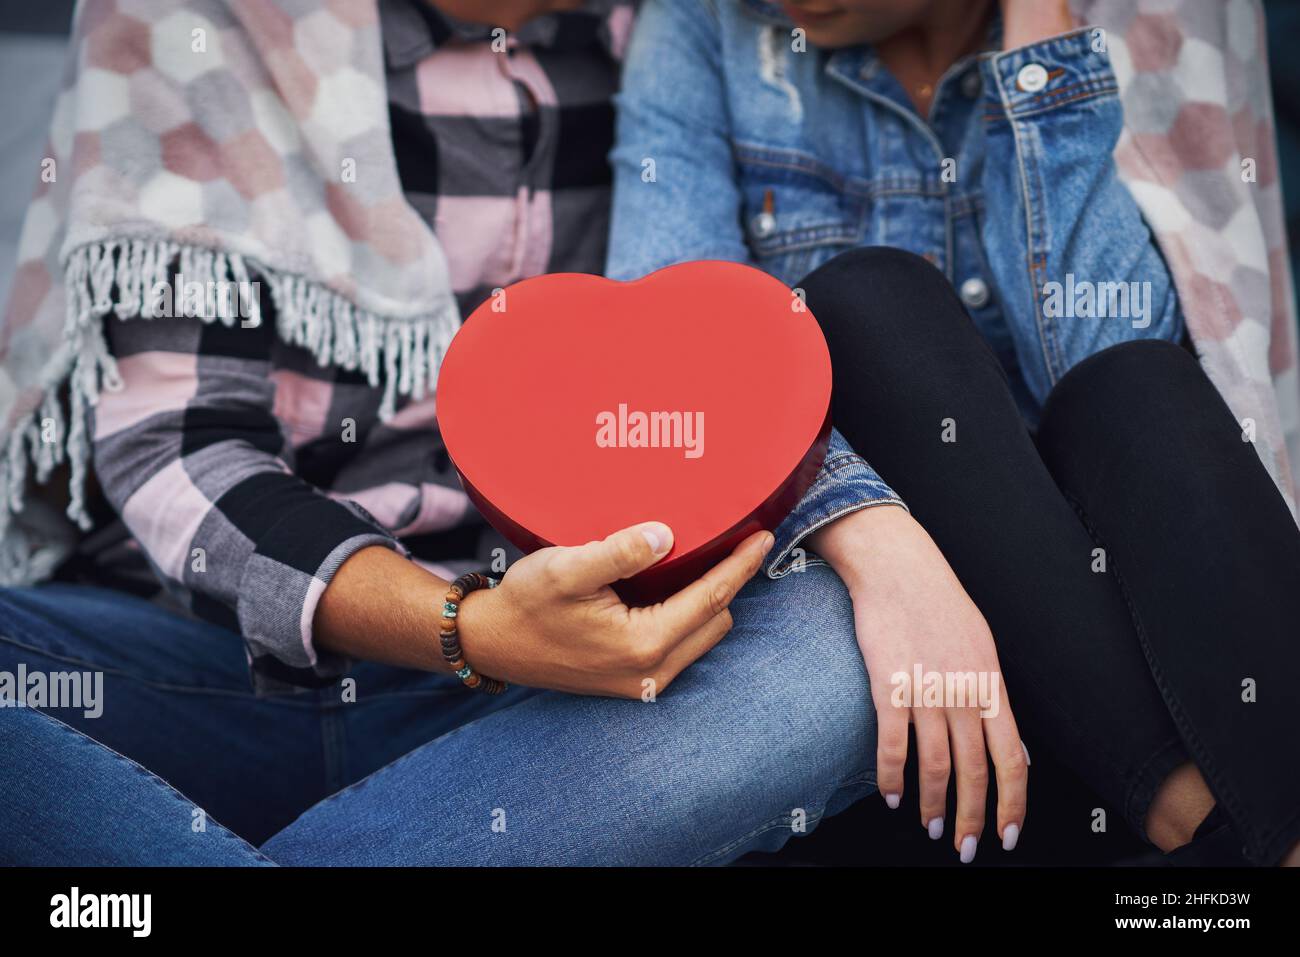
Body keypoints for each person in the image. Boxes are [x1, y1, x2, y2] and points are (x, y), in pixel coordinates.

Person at [0, 0, 1027, 866]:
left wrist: (877, 538)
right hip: (206, 668)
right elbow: (179, 455)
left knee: (824, 660)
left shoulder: (665, 39)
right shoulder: (203, 26)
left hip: (564, 682)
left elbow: (750, 373)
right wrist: (467, 630)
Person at [607, 0, 1300, 864]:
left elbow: (1097, 356)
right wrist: (880, 542)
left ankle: (1213, 840)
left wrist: (1042, 45)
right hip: (925, 699)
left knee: (1139, 382)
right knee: (865, 304)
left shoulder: (1133, 24)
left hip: (1119, 644)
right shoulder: (707, 26)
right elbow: (668, 355)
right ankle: (1214, 827)